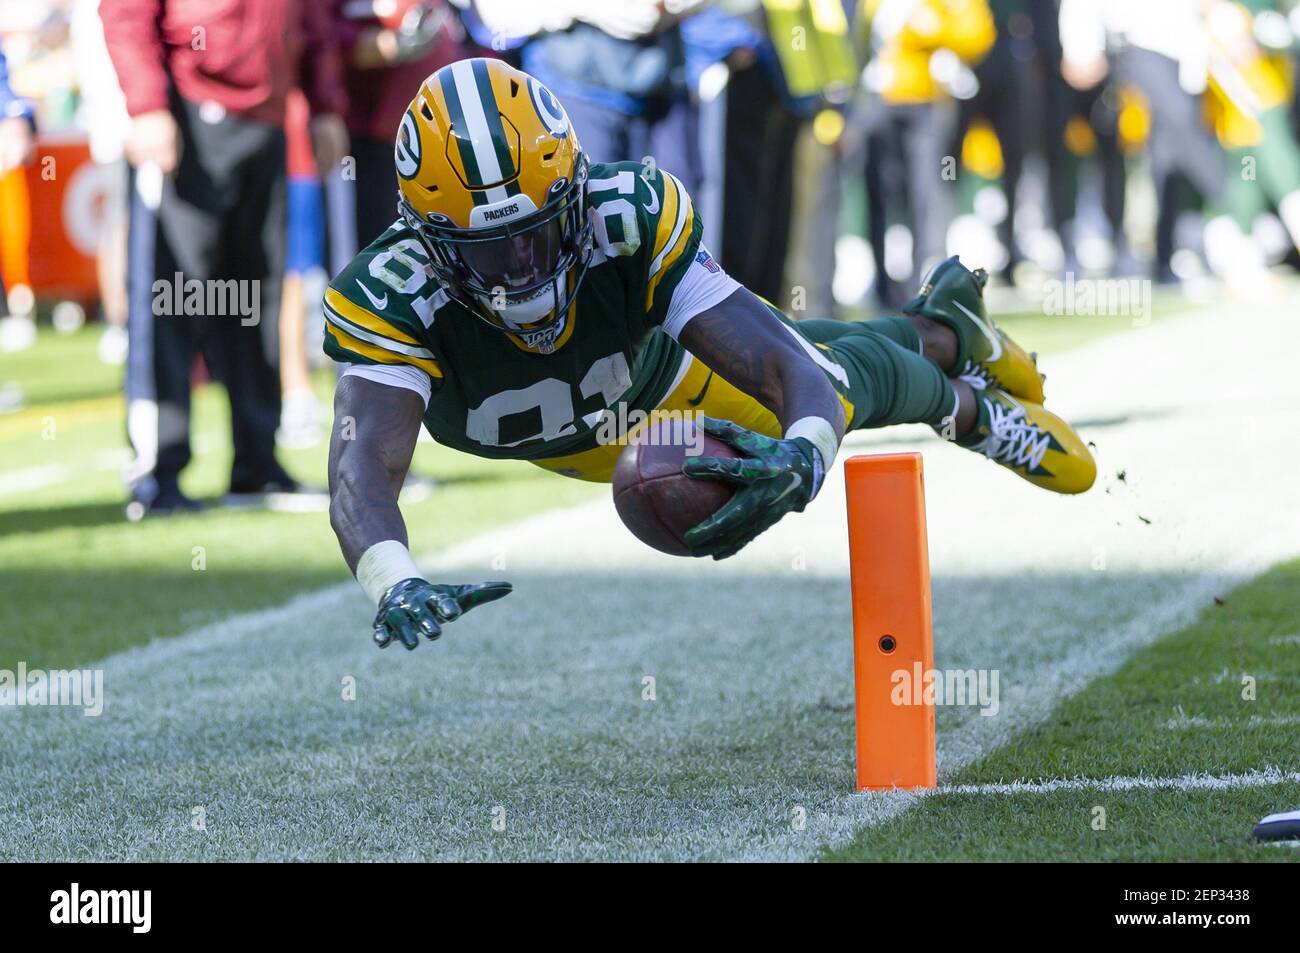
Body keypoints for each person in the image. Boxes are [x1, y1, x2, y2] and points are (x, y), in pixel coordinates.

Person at [322, 58, 1095, 651]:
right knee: (832, 350)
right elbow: (363, 467)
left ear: (575, 191)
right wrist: (393, 579)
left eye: (537, 230)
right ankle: (949, 328)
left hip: (674, 385)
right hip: (585, 443)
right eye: (489, 249)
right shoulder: (391, 295)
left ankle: (972, 410)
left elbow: (788, 372)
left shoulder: (627, 217)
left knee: (833, 378)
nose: (522, 264)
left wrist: (805, 457)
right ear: (428, 241)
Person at [101, 0, 350, 518]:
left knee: (254, 299)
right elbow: (126, 11)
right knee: (172, 295)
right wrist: (147, 104)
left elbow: (313, 17)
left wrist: (324, 103)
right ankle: (158, 471)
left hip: (268, 115)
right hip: (186, 111)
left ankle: (256, 464)